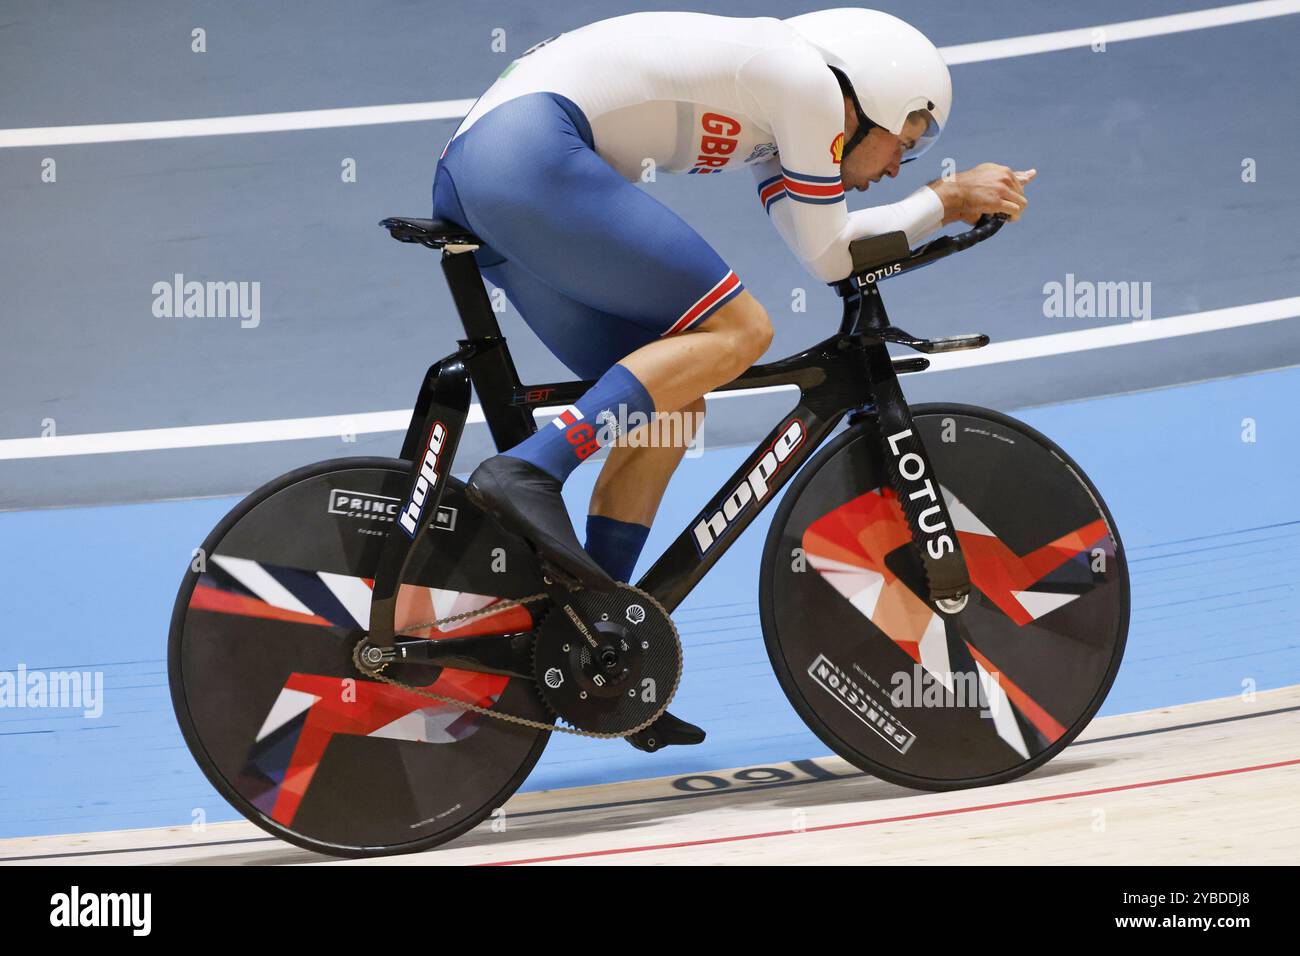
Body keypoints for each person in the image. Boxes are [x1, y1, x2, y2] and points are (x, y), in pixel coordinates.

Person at [432, 9, 1034, 748]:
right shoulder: (806, 84)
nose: (890, 172)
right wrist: (945, 200)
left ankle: (600, 639)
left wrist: (926, 208)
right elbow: (833, 258)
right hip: (526, 156)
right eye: (900, 147)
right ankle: (530, 470)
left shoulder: (781, 112)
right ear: (866, 100)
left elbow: (829, 240)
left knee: (672, 396)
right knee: (742, 330)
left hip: (486, 167)